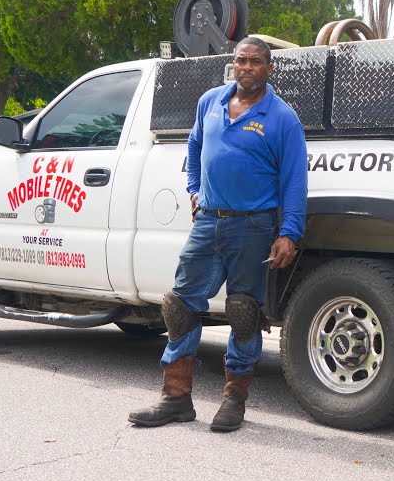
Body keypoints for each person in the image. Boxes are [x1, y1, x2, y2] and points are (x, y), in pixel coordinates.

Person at [129, 36, 307, 432]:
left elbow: (295, 181)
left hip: (254, 226)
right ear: (233, 64)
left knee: (243, 312)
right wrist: (193, 189)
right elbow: (193, 147)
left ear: (269, 68)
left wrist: (290, 233)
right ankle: (175, 399)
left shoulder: (283, 118)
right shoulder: (209, 102)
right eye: (241, 60)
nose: (247, 67)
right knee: (179, 304)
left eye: (256, 61)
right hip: (208, 221)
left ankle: (234, 401)